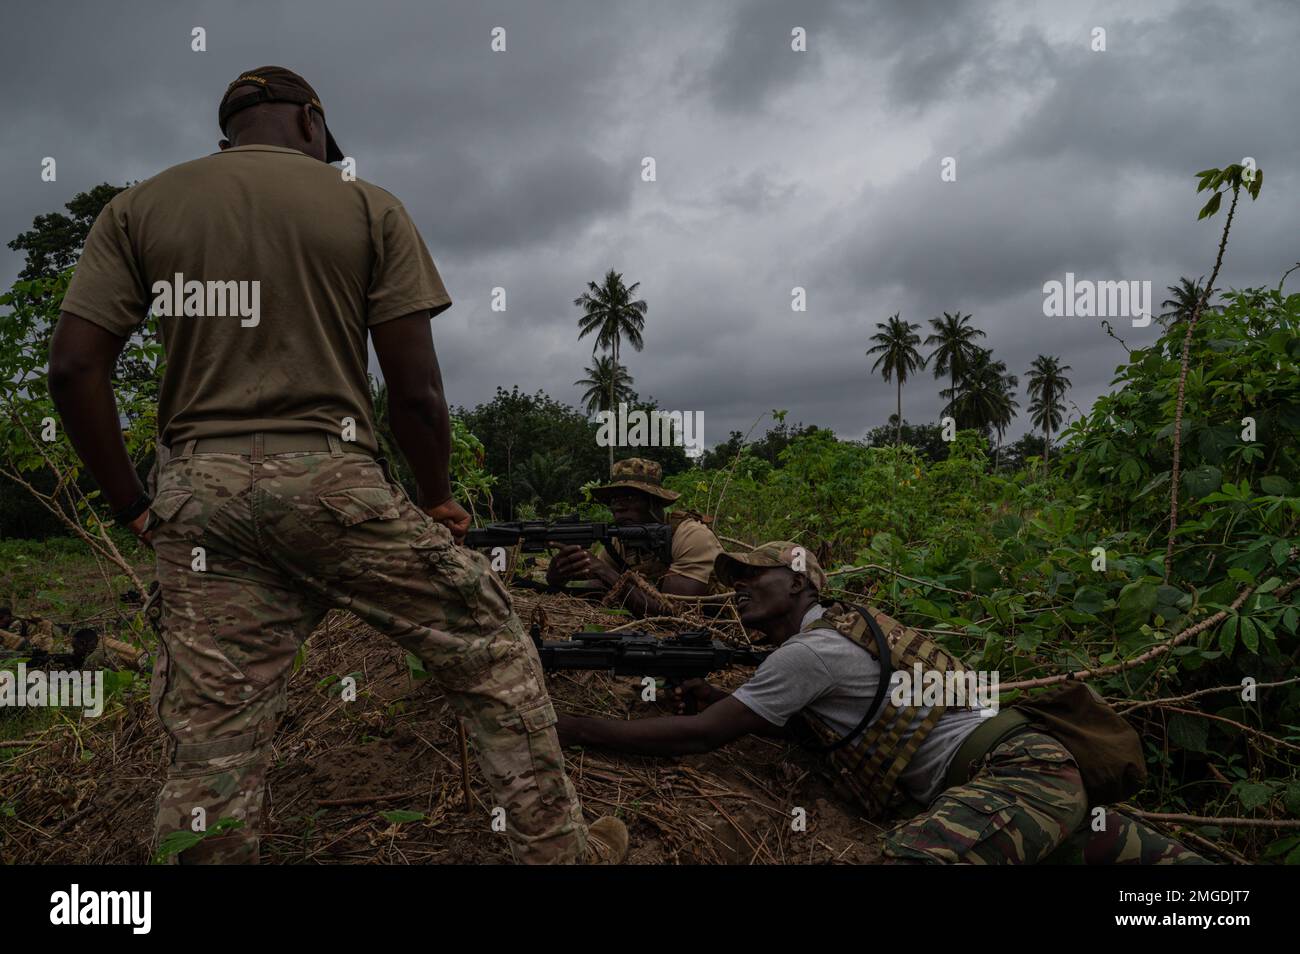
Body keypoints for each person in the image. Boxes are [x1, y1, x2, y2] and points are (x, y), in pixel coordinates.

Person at [48, 65, 625, 865]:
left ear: (229, 135)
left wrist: (133, 506)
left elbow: (75, 369)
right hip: (332, 482)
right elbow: (415, 394)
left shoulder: (138, 208)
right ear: (313, 122)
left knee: (212, 736)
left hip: (199, 497)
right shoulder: (367, 204)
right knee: (490, 644)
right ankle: (557, 852)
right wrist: (435, 499)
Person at [557, 541, 1207, 864]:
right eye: (735, 580)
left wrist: (571, 725)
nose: (741, 589)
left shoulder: (809, 653)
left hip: (1014, 781)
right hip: (1030, 772)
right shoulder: (845, 635)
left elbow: (699, 737)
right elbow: (839, 722)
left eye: (757, 576)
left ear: (801, 585)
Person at [545, 457, 723, 617]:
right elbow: (596, 591)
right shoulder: (620, 541)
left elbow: (675, 614)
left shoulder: (690, 536)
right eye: (614, 500)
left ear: (654, 502)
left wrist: (605, 572)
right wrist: (558, 577)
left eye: (629, 498)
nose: (618, 507)